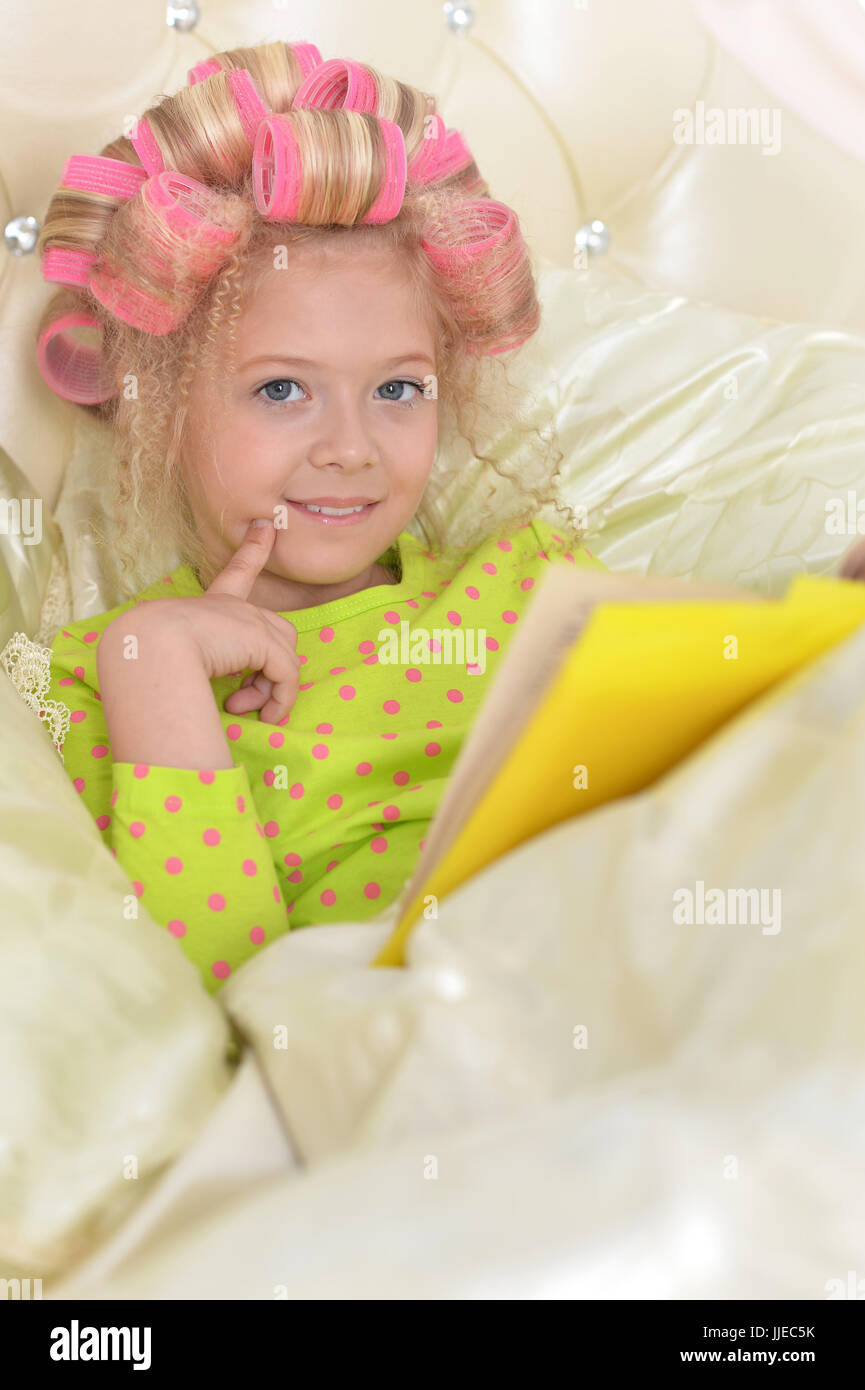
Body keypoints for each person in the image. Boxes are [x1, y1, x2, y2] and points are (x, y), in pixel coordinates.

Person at [34, 41, 603, 993]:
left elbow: (702, 782)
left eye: (396, 388)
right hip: (380, 1037)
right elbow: (215, 981)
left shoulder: (529, 580)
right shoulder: (106, 675)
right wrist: (162, 668)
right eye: (283, 389)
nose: (352, 447)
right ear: (163, 407)